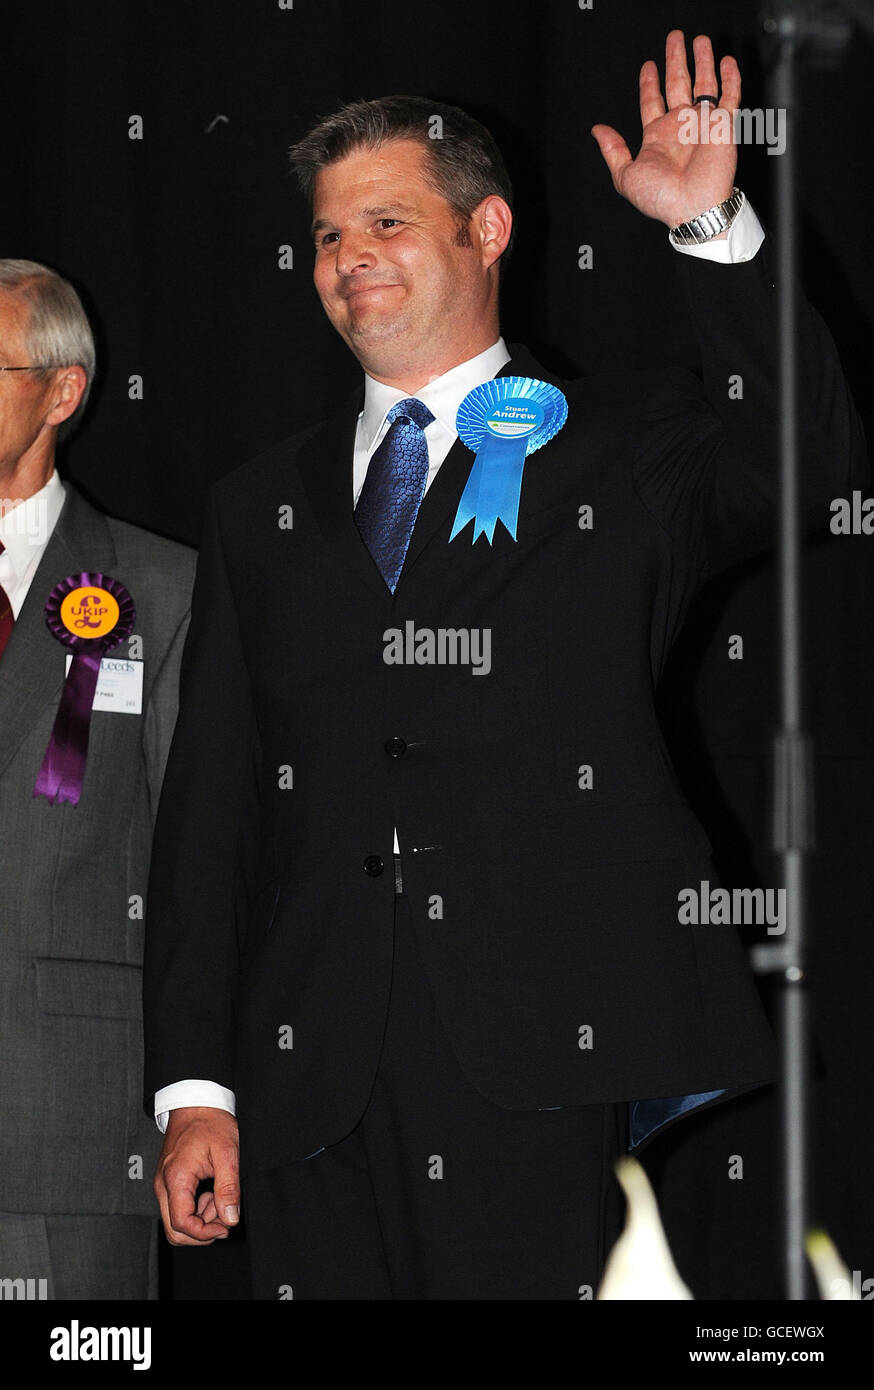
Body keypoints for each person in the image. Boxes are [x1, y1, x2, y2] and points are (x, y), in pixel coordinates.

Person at [144, 32, 866, 1299]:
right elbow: (212, 810)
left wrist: (711, 232)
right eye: (326, 234)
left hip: (538, 1048)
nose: (348, 256)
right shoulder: (258, 504)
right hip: (308, 1074)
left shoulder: (623, 445)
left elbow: (804, 463)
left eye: (385, 221)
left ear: (487, 230)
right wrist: (194, 1086)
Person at [0, 259, 195, 1299]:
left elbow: (197, 872)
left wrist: (199, 1098)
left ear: (61, 392)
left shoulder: (161, 589)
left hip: (67, 1117)